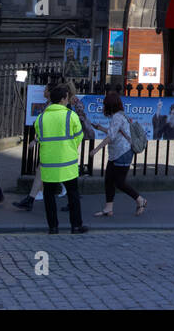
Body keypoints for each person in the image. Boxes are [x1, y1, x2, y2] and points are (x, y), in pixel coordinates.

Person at [15, 81, 92, 211]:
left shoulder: (61, 108)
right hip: (63, 148)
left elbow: (52, 128)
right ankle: (32, 199)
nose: (44, 92)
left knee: (56, 177)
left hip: (57, 149)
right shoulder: (68, 106)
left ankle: (66, 204)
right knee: (56, 173)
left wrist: (38, 140)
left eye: (46, 90)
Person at [36, 84, 87, 234]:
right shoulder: (70, 116)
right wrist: (69, 148)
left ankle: (53, 227)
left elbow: (39, 137)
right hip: (67, 162)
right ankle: (76, 226)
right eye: (67, 97)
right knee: (73, 194)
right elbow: (79, 137)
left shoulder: (41, 117)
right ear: (64, 99)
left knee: (49, 195)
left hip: (48, 163)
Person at [92, 93, 147, 217]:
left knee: (119, 182)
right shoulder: (120, 116)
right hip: (117, 153)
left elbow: (111, 136)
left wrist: (96, 150)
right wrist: (101, 128)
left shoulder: (117, 117)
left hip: (123, 153)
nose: (103, 107)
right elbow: (115, 132)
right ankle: (108, 208)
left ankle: (140, 200)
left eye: (105, 105)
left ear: (110, 105)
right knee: (109, 180)